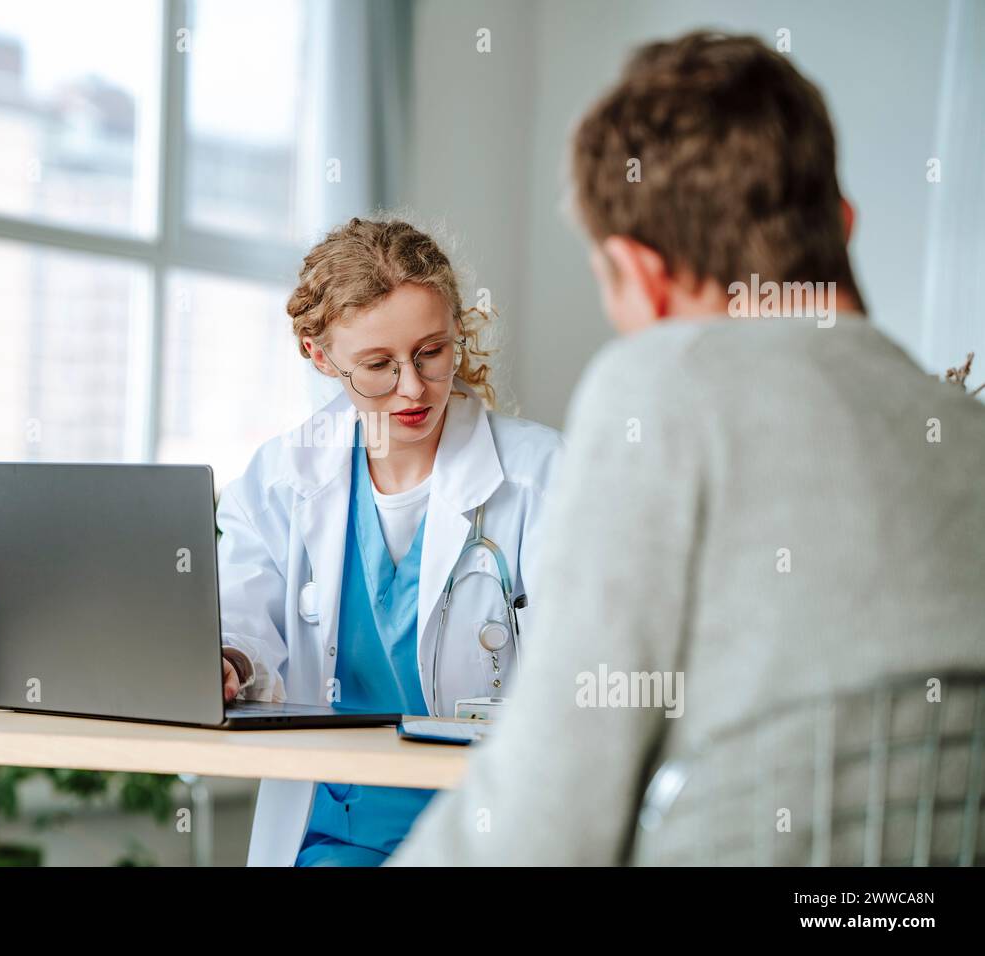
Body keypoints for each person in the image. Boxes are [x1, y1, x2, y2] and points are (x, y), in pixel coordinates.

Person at [388, 31, 985, 866]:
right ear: (842, 227)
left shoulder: (664, 386)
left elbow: (539, 822)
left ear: (642, 274)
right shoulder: (964, 431)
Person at [214, 217, 564, 866]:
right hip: (326, 836)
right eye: (378, 365)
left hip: (480, 834)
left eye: (431, 352)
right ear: (321, 357)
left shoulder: (542, 478)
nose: (412, 387)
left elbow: (574, 673)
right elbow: (242, 615)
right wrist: (231, 660)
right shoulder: (280, 479)